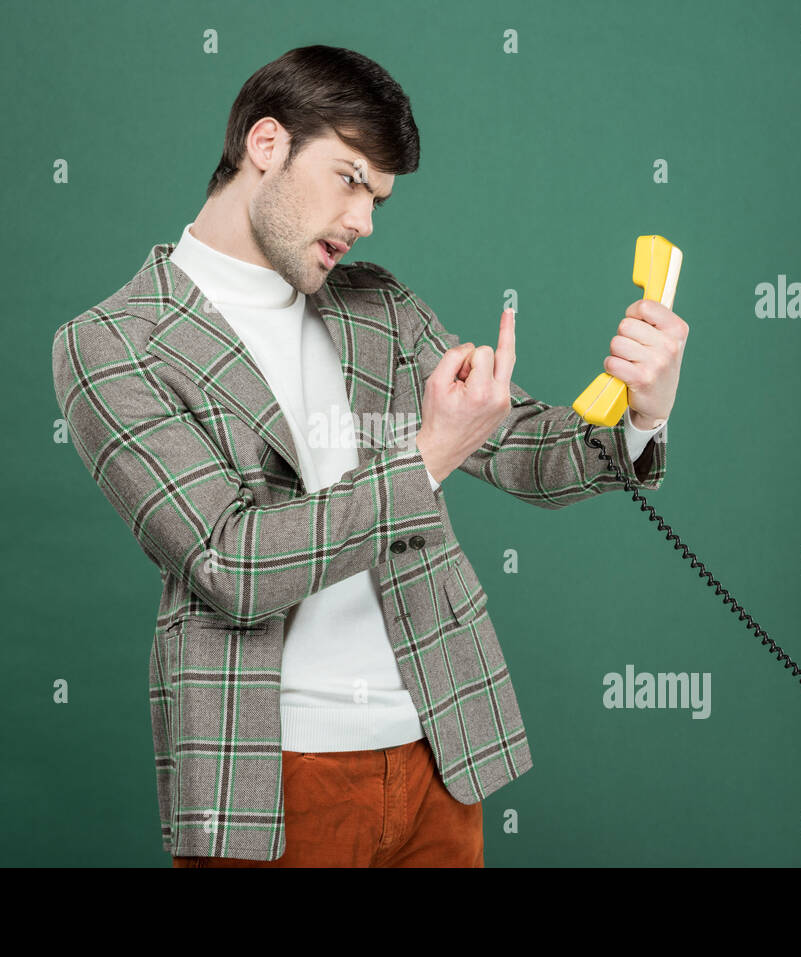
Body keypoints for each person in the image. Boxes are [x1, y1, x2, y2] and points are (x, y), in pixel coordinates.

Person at [50, 44, 688, 868]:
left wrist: (642, 410)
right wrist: (424, 457)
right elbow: (229, 561)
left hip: (436, 758)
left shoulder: (375, 303)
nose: (364, 220)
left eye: (378, 198)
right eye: (350, 178)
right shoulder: (114, 345)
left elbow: (525, 448)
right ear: (266, 144)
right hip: (268, 780)